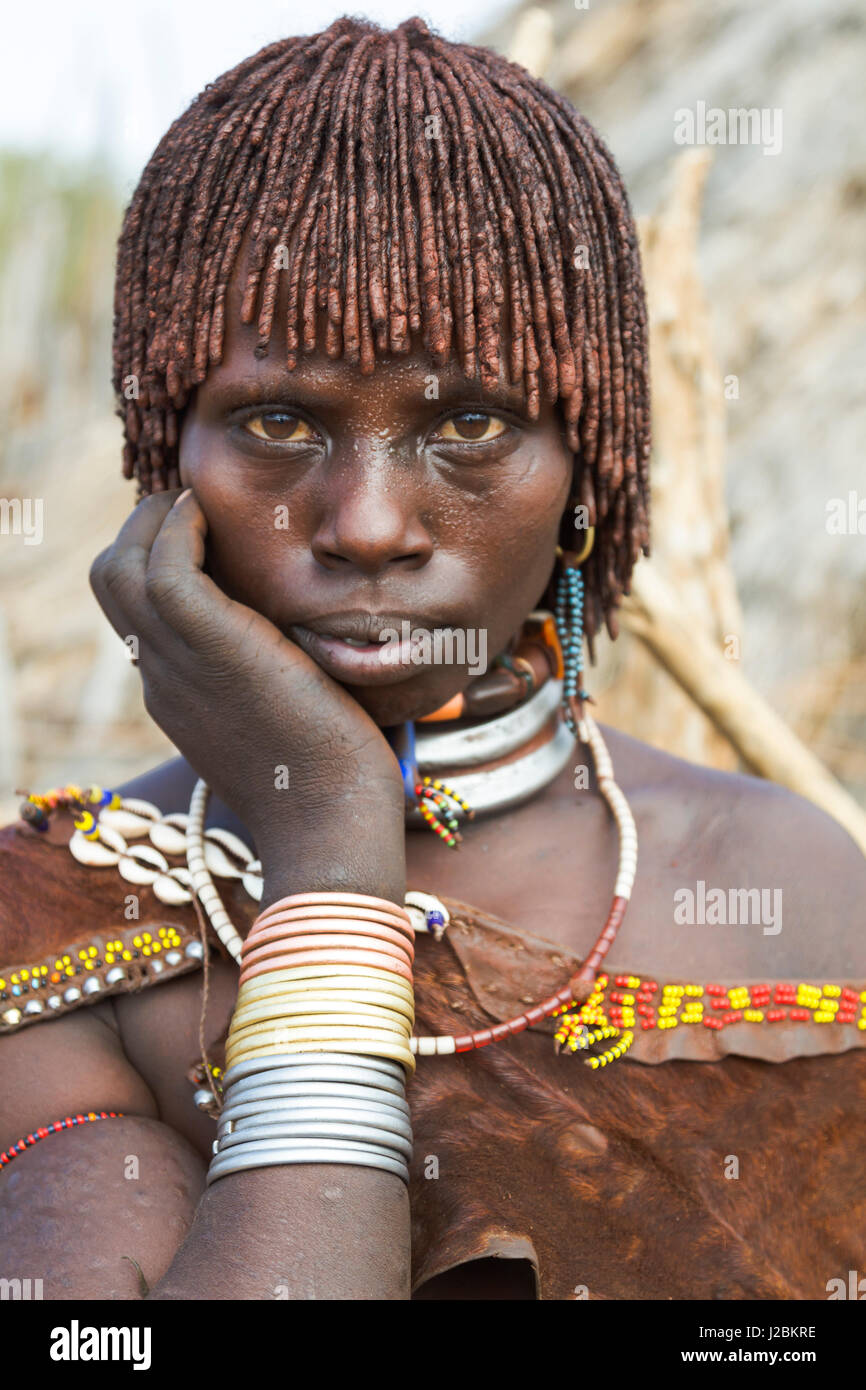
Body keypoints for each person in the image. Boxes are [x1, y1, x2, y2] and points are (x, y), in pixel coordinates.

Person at [1, 16, 863, 1302]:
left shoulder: (786, 881)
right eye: (277, 421)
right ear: (162, 457)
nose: (365, 524)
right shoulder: (60, 919)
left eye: (468, 422)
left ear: (588, 467)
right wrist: (329, 837)